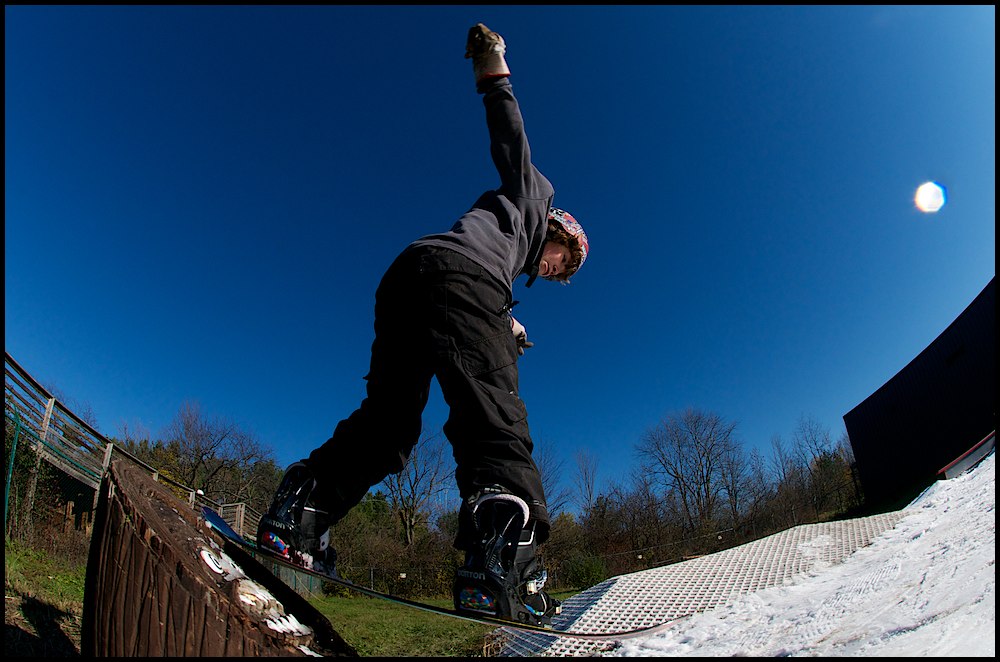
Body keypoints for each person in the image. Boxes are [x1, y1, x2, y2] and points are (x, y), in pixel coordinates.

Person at [257, 23, 589, 627]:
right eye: (558, 261)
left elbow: (472, 299)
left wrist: (505, 323)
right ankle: (503, 563)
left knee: (388, 425)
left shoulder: (505, 249)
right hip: (462, 279)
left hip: (410, 278)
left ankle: (300, 514)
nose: (551, 270)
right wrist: (494, 71)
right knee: (494, 418)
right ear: (560, 234)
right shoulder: (534, 194)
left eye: (556, 271)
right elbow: (512, 141)